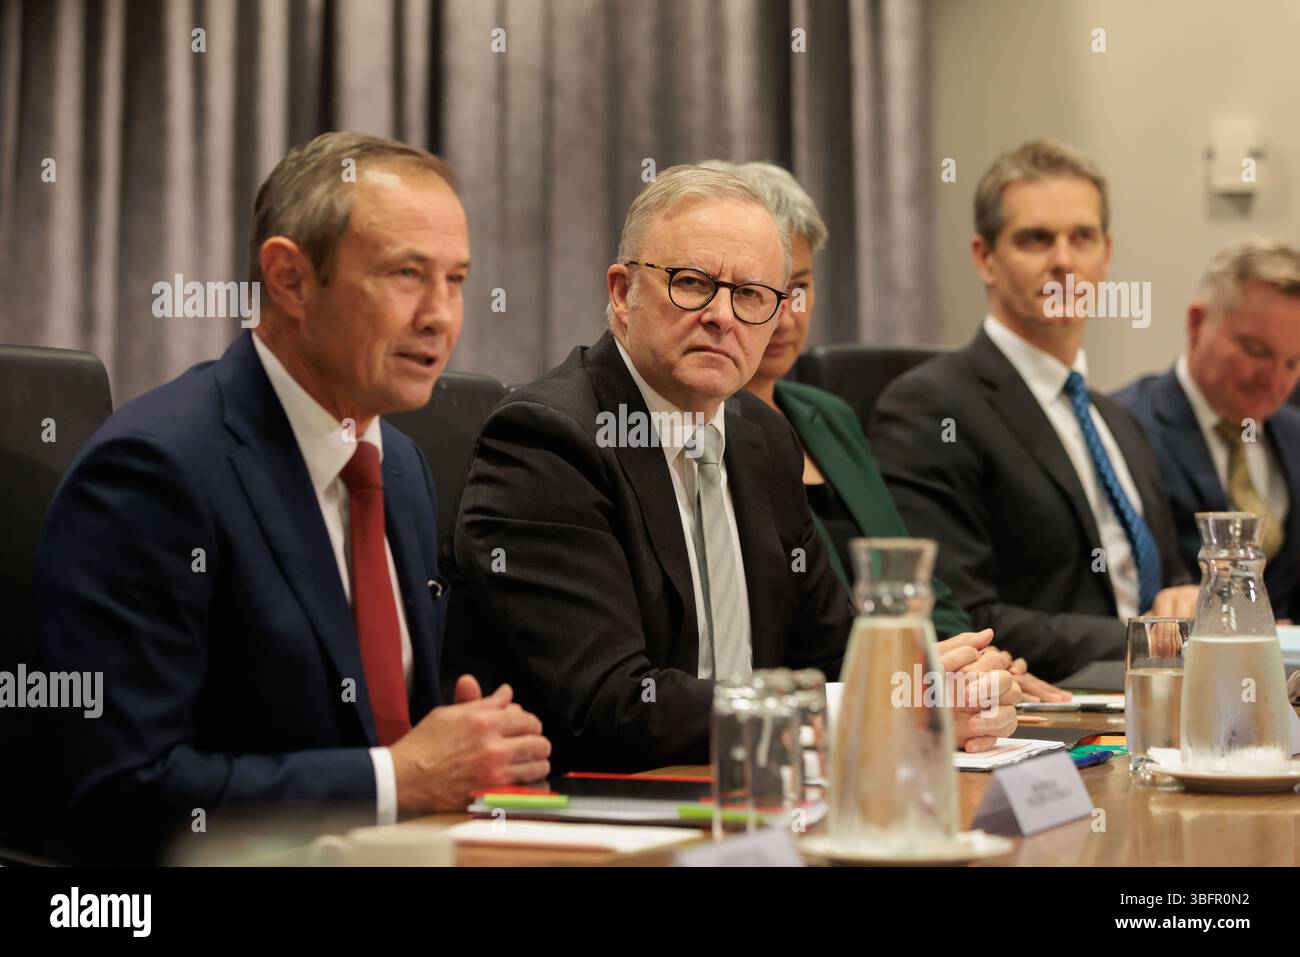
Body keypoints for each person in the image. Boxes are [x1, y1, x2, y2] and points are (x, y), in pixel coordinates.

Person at [35, 132, 550, 864]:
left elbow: (371, 736)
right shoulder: (154, 472)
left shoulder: (399, 466)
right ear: (290, 278)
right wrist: (398, 775)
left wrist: (459, 747)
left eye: (458, 279)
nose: (441, 315)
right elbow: (124, 792)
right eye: (408, 273)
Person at [441, 165, 1019, 772]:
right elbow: (610, 706)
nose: (723, 316)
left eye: (751, 295)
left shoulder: (762, 438)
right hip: (603, 817)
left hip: (763, 795)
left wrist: (933, 692)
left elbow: (834, 655)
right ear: (621, 292)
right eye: (692, 284)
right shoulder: (547, 440)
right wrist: (870, 708)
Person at [706, 159, 1065, 701]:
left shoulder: (830, 415)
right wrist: (924, 670)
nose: (785, 316)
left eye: (799, 287)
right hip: (822, 698)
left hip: (912, 687)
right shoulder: (703, 427)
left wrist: (973, 656)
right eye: (760, 291)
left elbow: (911, 577)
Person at [868, 140, 1194, 683]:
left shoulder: (1119, 421)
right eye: (1036, 239)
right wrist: (1153, 637)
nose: (1063, 260)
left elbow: (1168, 581)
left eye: (1082, 238)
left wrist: (1187, 602)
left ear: (1106, 253)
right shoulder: (929, 408)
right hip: (1042, 713)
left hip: (1159, 701)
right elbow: (964, 617)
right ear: (984, 258)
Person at [1115, 240, 1300, 618]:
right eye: (1257, 351)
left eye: (1293, 362)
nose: (1275, 380)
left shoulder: (1295, 435)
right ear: (1197, 323)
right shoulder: (1124, 426)